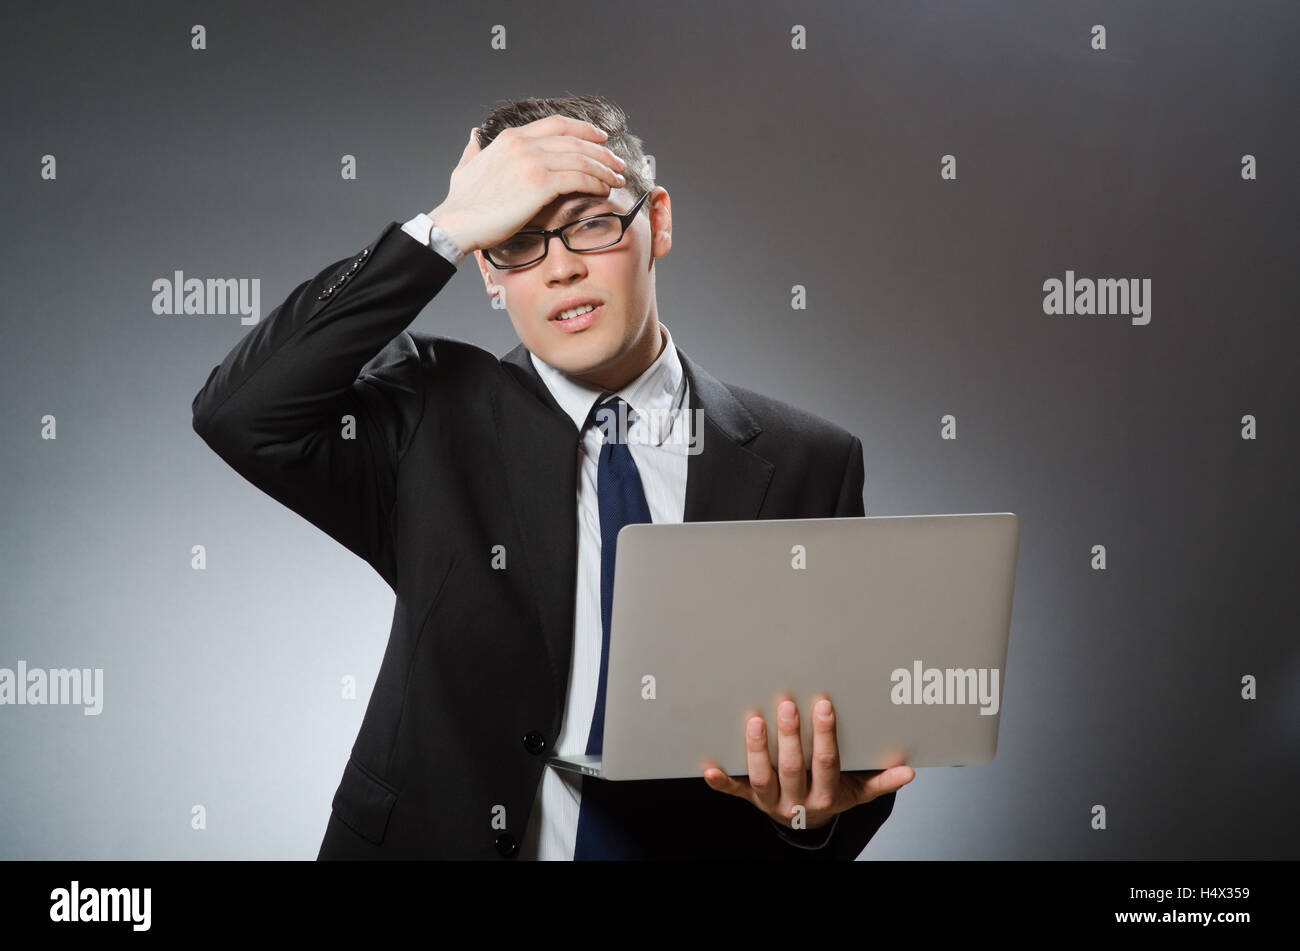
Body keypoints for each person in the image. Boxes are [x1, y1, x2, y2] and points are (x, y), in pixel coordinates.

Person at [191, 94, 914, 860]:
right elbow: (240, 410)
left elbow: (838, 765)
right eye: (517, 241)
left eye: (593, 223)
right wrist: (443, 226)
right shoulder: (427, 414)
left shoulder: (811, 462)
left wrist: (806, 817)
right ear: (487, 273)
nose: (562, 267)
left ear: (657, 222)